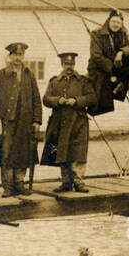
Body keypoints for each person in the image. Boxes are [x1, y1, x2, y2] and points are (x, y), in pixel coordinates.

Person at [0, 42, 42, 198]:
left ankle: (19, 184)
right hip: (8, 123)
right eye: (15, 55)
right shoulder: (1, 75)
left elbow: (36, 99)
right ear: (9, 56)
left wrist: (37, 121)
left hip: (25, 123)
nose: (18, 58)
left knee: (23, 154)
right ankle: (8, 186)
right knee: (6, 154)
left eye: (21, 55)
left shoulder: (29, 74)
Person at [40, 52, 97, 193]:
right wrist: (57, 101)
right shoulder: (54, 82)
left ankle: (79, 182)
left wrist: (77, 101)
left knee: (78, 152)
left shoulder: (83, 81)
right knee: (62, 151)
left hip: (78, 122)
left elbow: (92, 98)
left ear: (75, 64)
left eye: (71, 64)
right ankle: (66, 182)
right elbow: (46, 99)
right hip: (60, 122)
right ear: (62, 65)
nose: (69, 67)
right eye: (66, 64)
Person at [88, 10, 129, 120]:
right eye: (114, 21)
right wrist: (114, 67)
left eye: (118, 23)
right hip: (102, 70)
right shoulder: (97, 34)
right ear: (108, 21)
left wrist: (121, 53)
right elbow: (96, 57)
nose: (116, 25)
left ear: (121, 24)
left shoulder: (122, 33)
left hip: (116, 67)